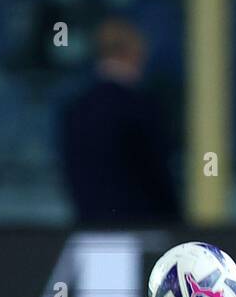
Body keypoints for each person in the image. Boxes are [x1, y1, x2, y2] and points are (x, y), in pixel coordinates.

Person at [60, 19, 179, 225]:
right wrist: (176, 221)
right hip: (141, 230)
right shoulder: (141, 108)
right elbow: (158, 176)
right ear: (134, 53)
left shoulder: (75, 108)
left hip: (89, 231)